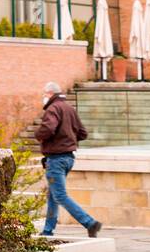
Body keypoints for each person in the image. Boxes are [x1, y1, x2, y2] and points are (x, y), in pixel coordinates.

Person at [34, 81, 102, 238]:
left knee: (60, 196)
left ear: (50, 94)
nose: (44, 97)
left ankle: (90, 223)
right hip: (68, 158)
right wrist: (68, 138)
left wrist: (39, 136)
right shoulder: (69, 108)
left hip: (56, 159)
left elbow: (48, 128)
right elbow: (82, 133)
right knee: (53, 195)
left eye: (44, 94)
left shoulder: (53, 108)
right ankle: (48, 231)